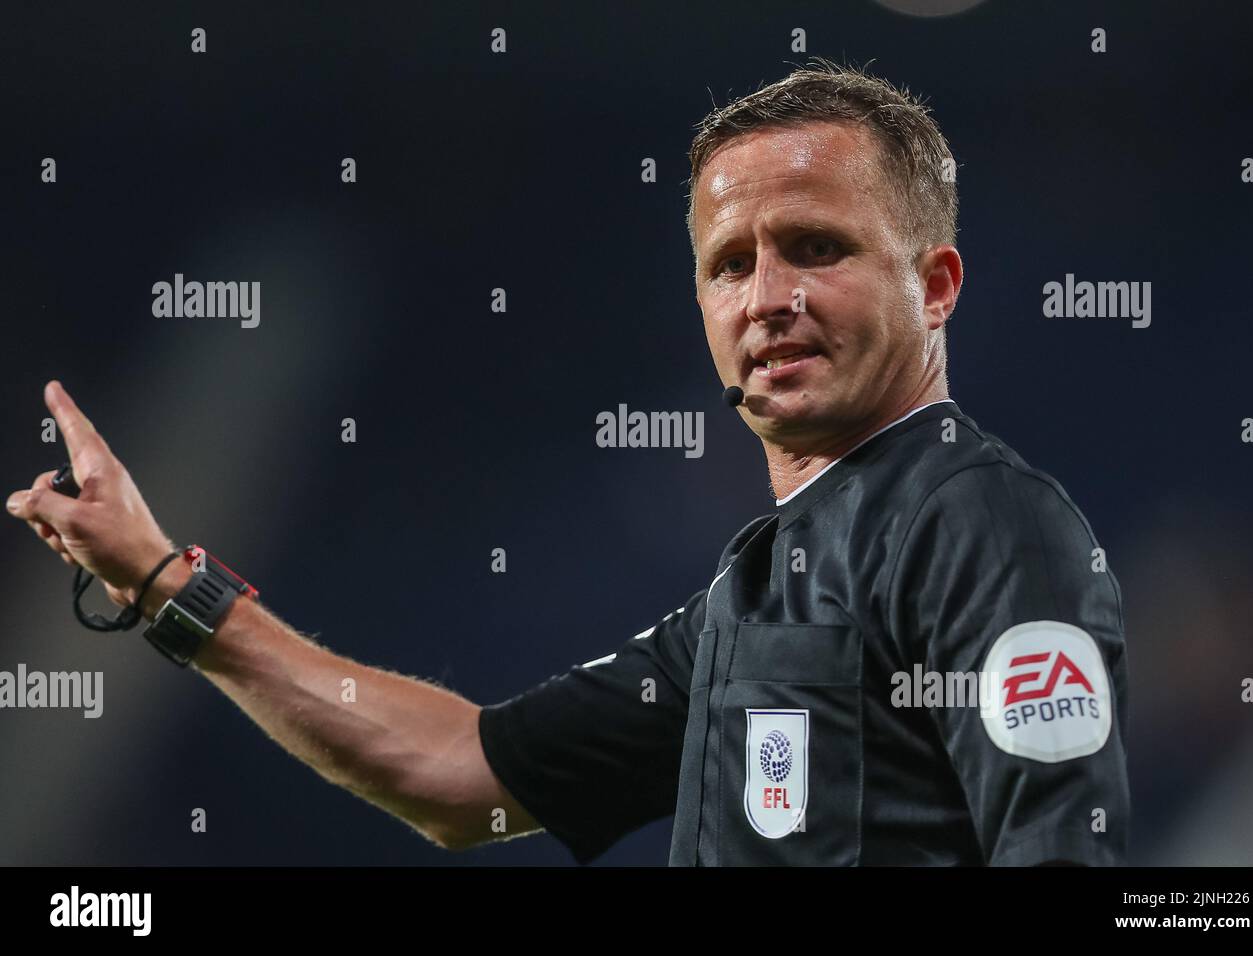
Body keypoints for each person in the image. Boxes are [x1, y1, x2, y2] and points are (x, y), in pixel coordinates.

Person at [6, 61, 1129, 865]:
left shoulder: (981, 527)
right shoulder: (755, 590)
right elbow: (459, 778)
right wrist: (166, 583)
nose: (768, 298)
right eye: (729, 263)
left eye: (818, 248)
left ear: (934, 286)